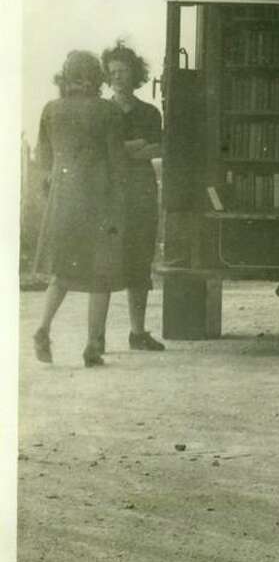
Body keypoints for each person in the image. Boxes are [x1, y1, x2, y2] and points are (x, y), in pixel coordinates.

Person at [31, 50, 128, 367]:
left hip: (62, 201)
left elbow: (44, 164)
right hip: (99, 199)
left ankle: (43, 328)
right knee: (102, 274)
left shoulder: (50, 110)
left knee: (61, 273)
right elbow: (117, 162)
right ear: (95, 77)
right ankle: (92, 346)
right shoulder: (106, 111)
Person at [102, 40, 166, 352]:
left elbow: (159, 148)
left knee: (140, 261)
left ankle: (137, 332)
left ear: (134, 74)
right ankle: (95, 335)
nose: (116, 76)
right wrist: (133, 147)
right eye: (111, 71)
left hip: (140, 194)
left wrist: (121, 150)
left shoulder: (150, 112)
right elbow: (102, 153)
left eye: (122, 71)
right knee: (104, 262)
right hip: (108, 195)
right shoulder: (101, 112)